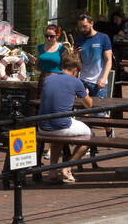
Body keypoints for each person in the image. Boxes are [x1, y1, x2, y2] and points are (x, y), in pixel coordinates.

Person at [37, 51, 93, 183]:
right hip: (61, 125)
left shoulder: (48, 79)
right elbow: (89, 105)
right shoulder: (76, 81)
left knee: (57, 139)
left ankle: (52, 171)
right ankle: (67, 168)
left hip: (42, 126)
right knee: (90, 136)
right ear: (75, 70)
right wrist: (85, 93)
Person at [75, 13, 113, 99]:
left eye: (84, 26)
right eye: (80, 27)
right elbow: (77, 63)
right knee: (82, 110)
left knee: (100, 111)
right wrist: (75, 54)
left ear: (91, 23)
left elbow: (108, 60)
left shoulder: (103, 38)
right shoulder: (79, 40)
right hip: (83, 81)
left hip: (99, 82)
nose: (82, 29)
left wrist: (104, 78)